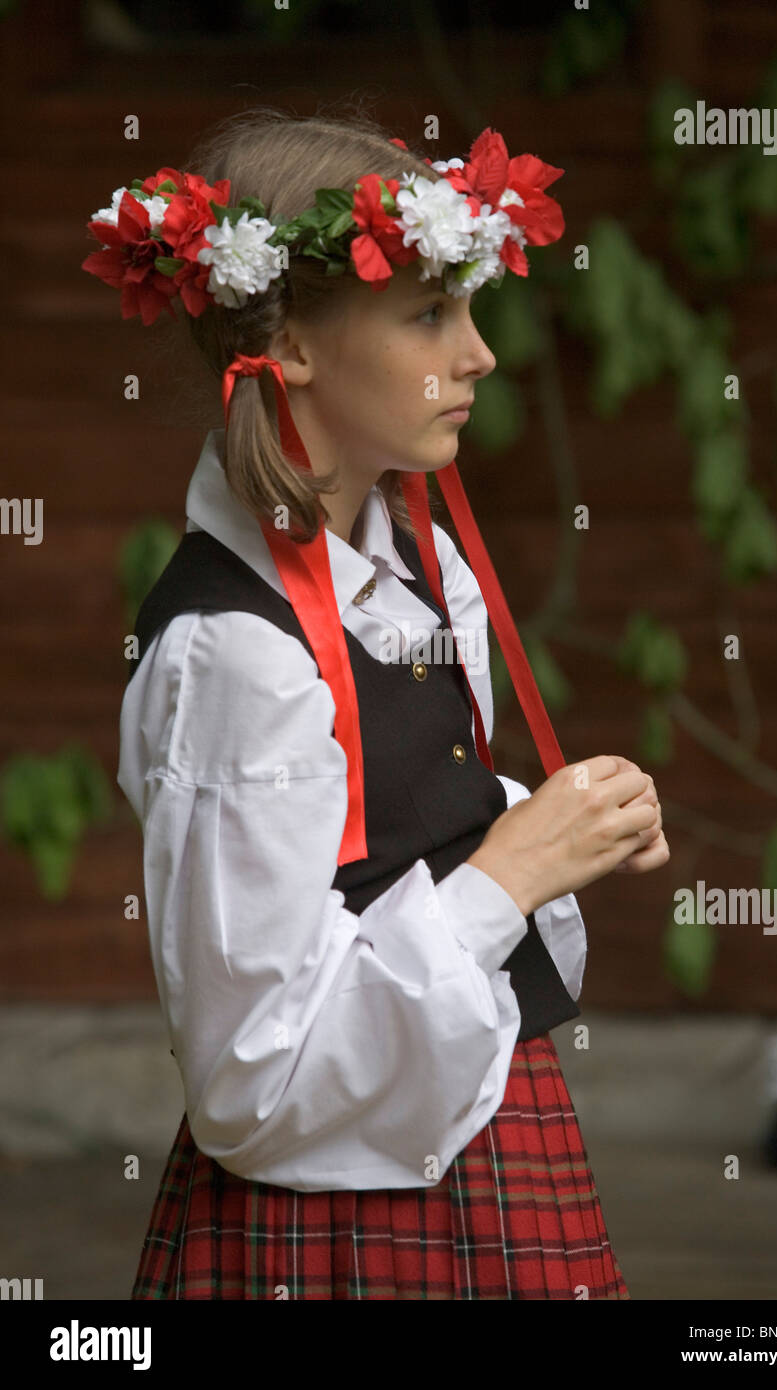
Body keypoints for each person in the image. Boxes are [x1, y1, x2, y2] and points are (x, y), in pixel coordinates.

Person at [85, 106, 669, 1299]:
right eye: (427, 314)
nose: (478, 355)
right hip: (343, 1220)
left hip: (477, 1135)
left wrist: (556, 823)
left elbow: (393, 825)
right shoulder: (235, 656)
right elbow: (248, 1082)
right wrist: (509, 872)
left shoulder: (412, 562)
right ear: (289, 340)